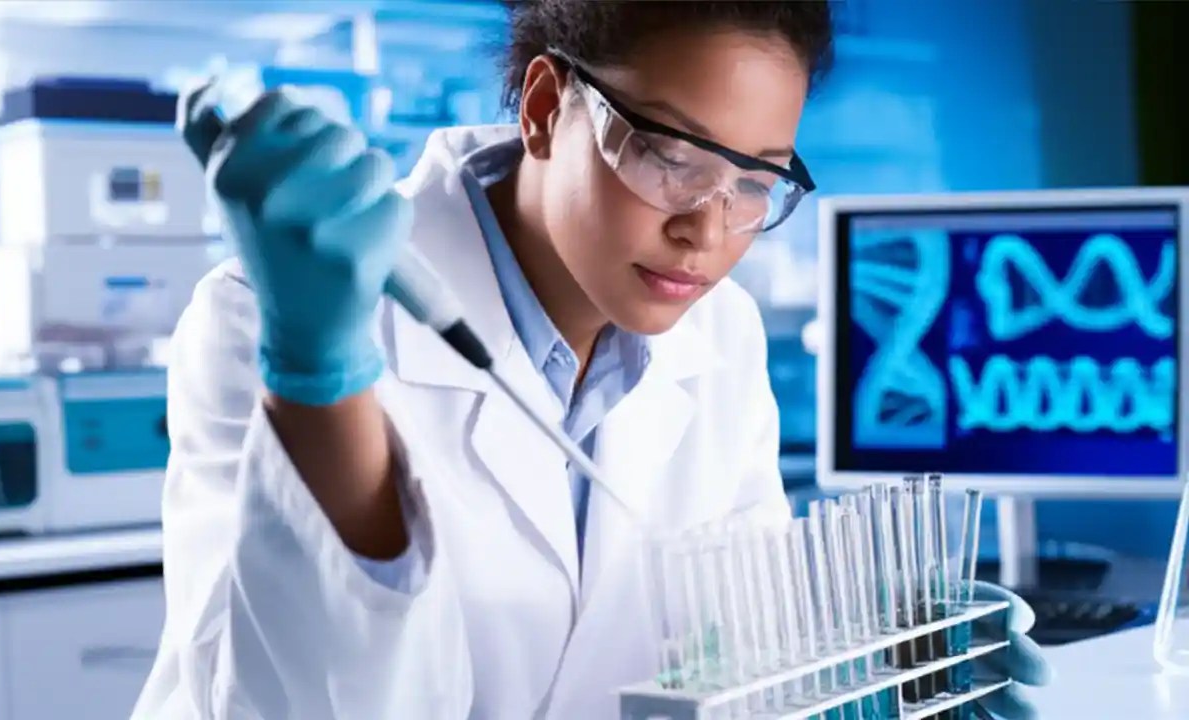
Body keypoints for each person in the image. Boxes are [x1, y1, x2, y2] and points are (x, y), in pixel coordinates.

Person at [132, 1, 1051, 718]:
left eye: (755, 183)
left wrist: (876, 660)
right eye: (669, 157)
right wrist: (321, 376)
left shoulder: (717, 335)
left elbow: (728, 655)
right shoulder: (275, 319)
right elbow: (280, 708)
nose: (707, 228)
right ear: (543, 108)